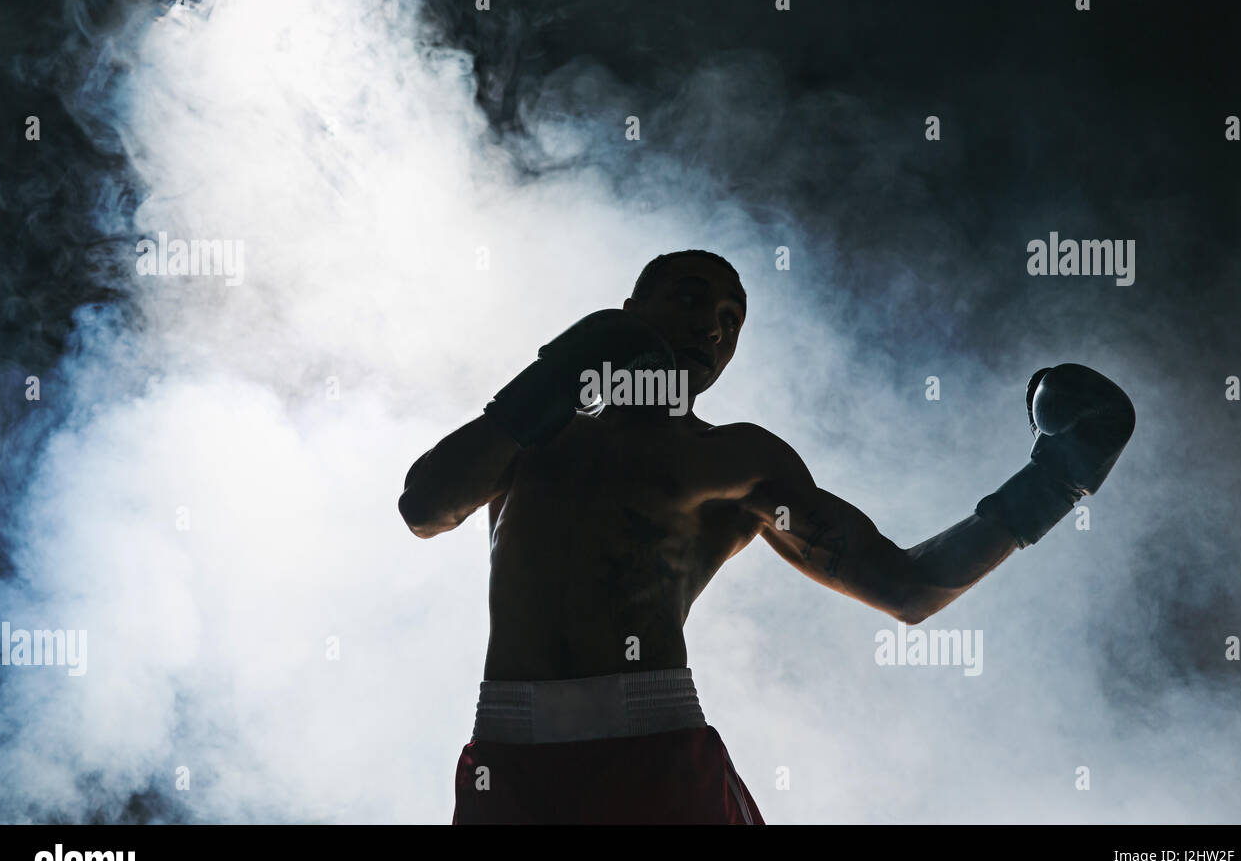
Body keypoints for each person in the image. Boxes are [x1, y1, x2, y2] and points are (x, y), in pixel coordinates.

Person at [398, 249, 1135, 824]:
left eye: (731, 318)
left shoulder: (735, 461)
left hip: (652, 746)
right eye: (691, 298)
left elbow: (907, 588)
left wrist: (1056, 479)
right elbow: (425, 508)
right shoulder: (535, 432)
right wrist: (555, 375)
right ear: (629, 311)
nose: (713, 326)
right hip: (507, 750)